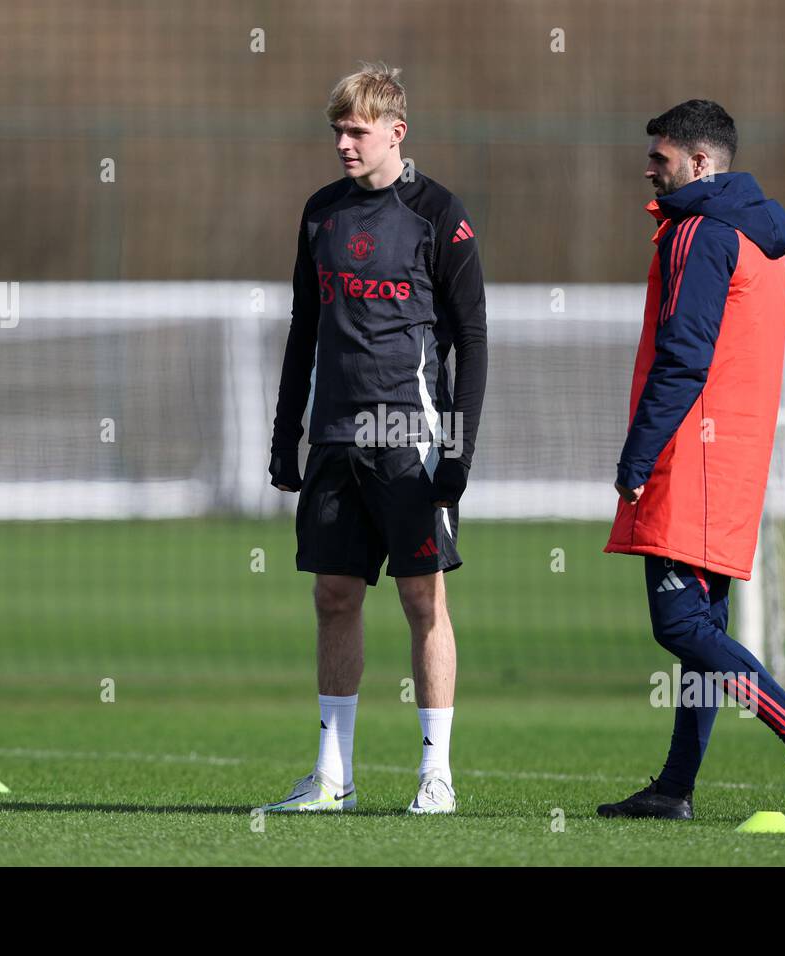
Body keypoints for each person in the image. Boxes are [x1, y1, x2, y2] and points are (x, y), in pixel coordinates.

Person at [600, 100, 785, 822]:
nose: (650, 167)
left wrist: (638, 454)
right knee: (700, 630)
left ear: (700, 163)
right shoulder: (760, 235)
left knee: (680, 626)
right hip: (734, 457)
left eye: (662, 157)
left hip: (691, 454)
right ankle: (675, 788)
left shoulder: (699, 232)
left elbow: (684, 356)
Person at [261, 62, 487, 815]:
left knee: (424, 600)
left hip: (409, 438)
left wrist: (457, 450)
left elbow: (473, 339)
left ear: (397, 132)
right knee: (333, 596)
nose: (343, 144)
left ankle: (437, 775)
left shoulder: (438, 214)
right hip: (333, 438)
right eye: (337, 131)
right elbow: (303, 330)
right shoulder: (319, 214)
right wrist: (284, 431)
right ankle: (333, 777)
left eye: (356, 131)